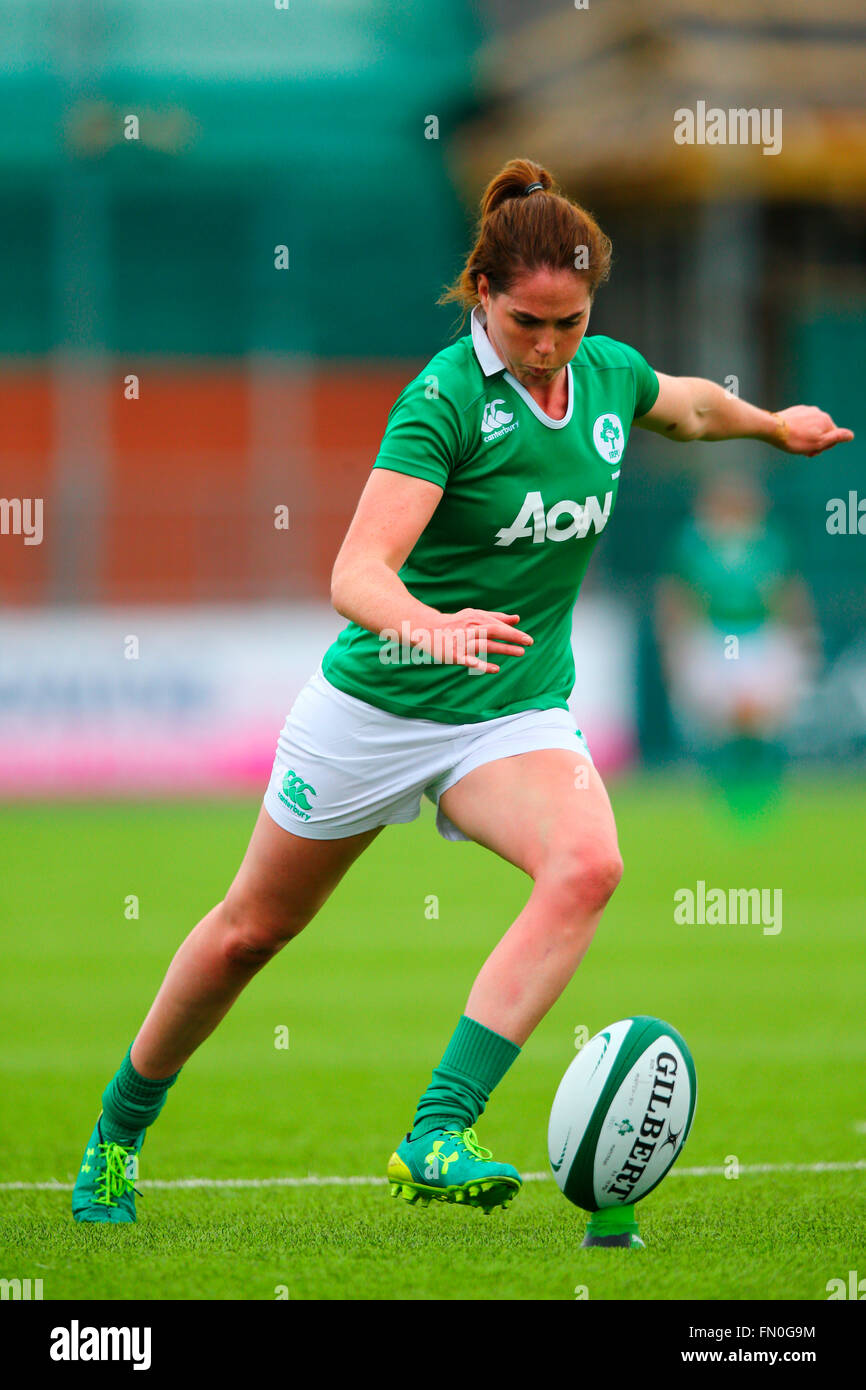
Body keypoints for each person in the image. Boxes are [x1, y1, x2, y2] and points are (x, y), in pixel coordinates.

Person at [72, 157, 853, 1224]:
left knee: (587, 865)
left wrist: (771, 424)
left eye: (569, 323)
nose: (548, 348)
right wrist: (427, 628)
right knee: (251, 930)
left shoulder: (608, 376)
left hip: (511, 710)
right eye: (528, 322)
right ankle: (117, 1132)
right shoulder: (441, 401)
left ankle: (437, 1128)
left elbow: (690, 405)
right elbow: (354, 572)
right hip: (379, 704)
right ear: (483, 295)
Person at [655, 468, 821, 817]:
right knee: (721, 715)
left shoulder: (768, 541)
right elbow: (679, 595)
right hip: (714, 635)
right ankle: (724, 785)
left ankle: (763, 782)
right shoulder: (694, 542)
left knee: (759, 712)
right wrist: (675, 641)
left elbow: (786, 591)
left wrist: (802, 637)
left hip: (757, 634)